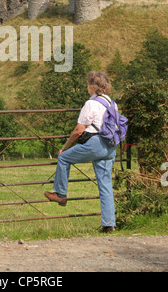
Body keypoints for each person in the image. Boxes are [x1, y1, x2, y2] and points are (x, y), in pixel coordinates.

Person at [44, 71, 117, 232]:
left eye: (88, 84)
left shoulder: (91, 104)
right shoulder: (112, 103)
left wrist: (65, 147)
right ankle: (109, 224)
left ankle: (61, 194)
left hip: (95, 143)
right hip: (110, 146)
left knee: (64, 158)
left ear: (92, 86)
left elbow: (78, 130)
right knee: (105, 185)